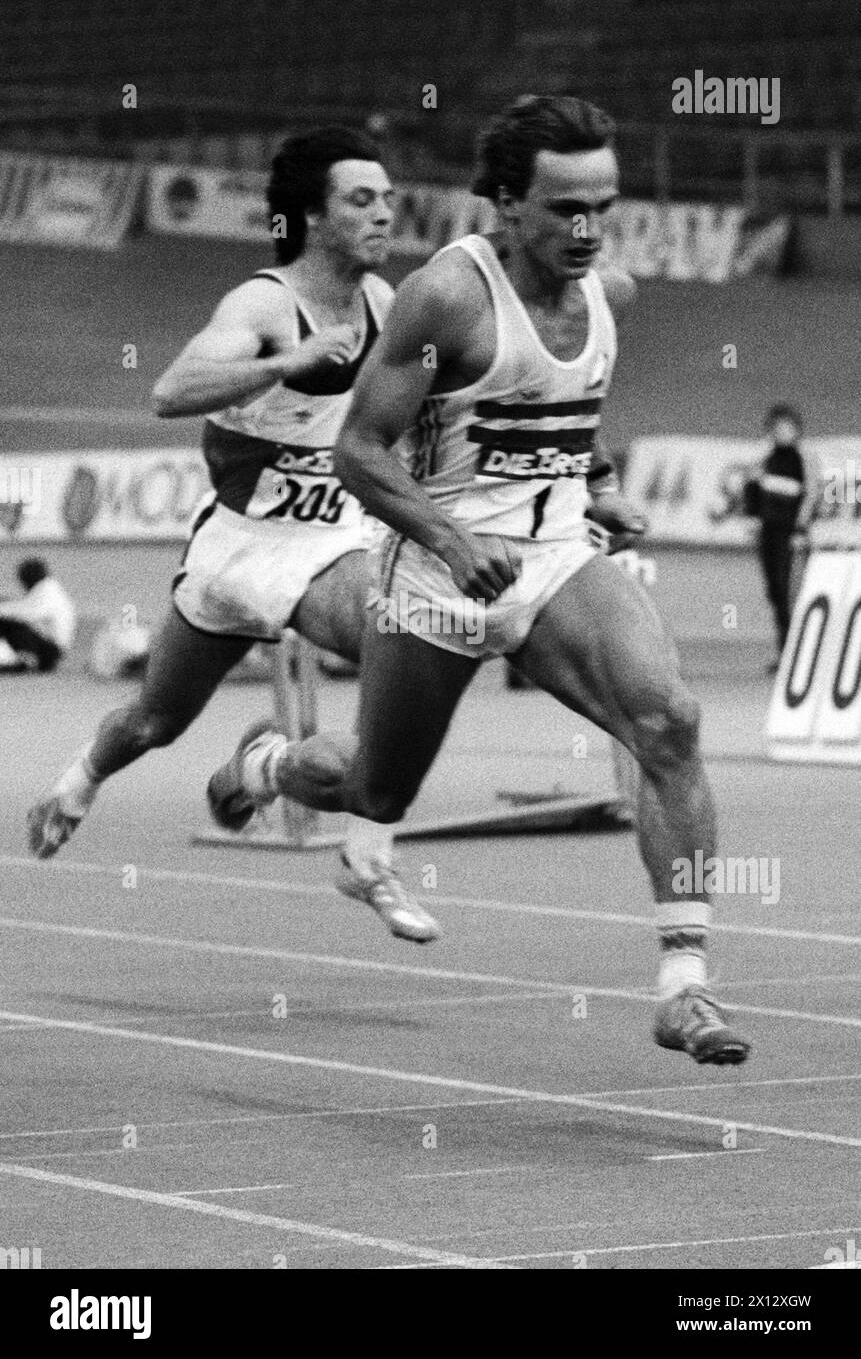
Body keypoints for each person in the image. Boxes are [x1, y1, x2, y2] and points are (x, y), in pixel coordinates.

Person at [208, 95, 750, 1066]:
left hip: (551, 563)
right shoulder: (445, 299)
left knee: (670, 718)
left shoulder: (606, 293)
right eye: (563, 209)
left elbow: (561, 415)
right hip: (433, 574)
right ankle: (267, 766)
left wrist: (601, 483)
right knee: (377, 784)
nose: (587, 231)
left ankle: (684, 984)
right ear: (504, 203)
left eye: (604, 206)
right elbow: (360, 449)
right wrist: (453, 541)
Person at [26, 126, 438, 943]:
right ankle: (80, 786)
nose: (385, 213)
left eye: (389, 198)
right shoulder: (261, 303)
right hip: (239, 549)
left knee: (408, 643)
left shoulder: (386, 306)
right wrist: (284, 363)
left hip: (326, 545)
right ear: (314, 217)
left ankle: (364, 855)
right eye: (362, 199)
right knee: (153, 722)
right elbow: (171, 390)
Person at [747, 404, 813, 672]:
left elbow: (811, 495)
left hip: (791, 537)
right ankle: (786, 653)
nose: (781, 433)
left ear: (796, 431)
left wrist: (800, 530)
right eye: (776, 428)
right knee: (775, 593)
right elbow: (753, 492)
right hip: (769, 535)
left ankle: (798, 656)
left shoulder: (803, 459)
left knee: (790, 595)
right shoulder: (767, 459)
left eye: (787, 428)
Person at [0, 558, 76, 672]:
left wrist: (3, 607)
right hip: (49, 649)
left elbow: (28, 614)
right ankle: (14, 660)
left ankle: (13, 660)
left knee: (8, 623)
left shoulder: (47, 591)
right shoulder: (48, 588)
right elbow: (24, 609)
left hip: (49, 651)